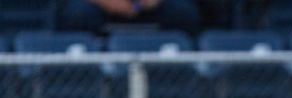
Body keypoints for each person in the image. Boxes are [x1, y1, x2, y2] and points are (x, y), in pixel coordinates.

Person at [60, 0, 200, 34]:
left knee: (184, 12)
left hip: (148, 10)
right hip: (104, 9)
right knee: (78, 13)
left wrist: (138, 6)